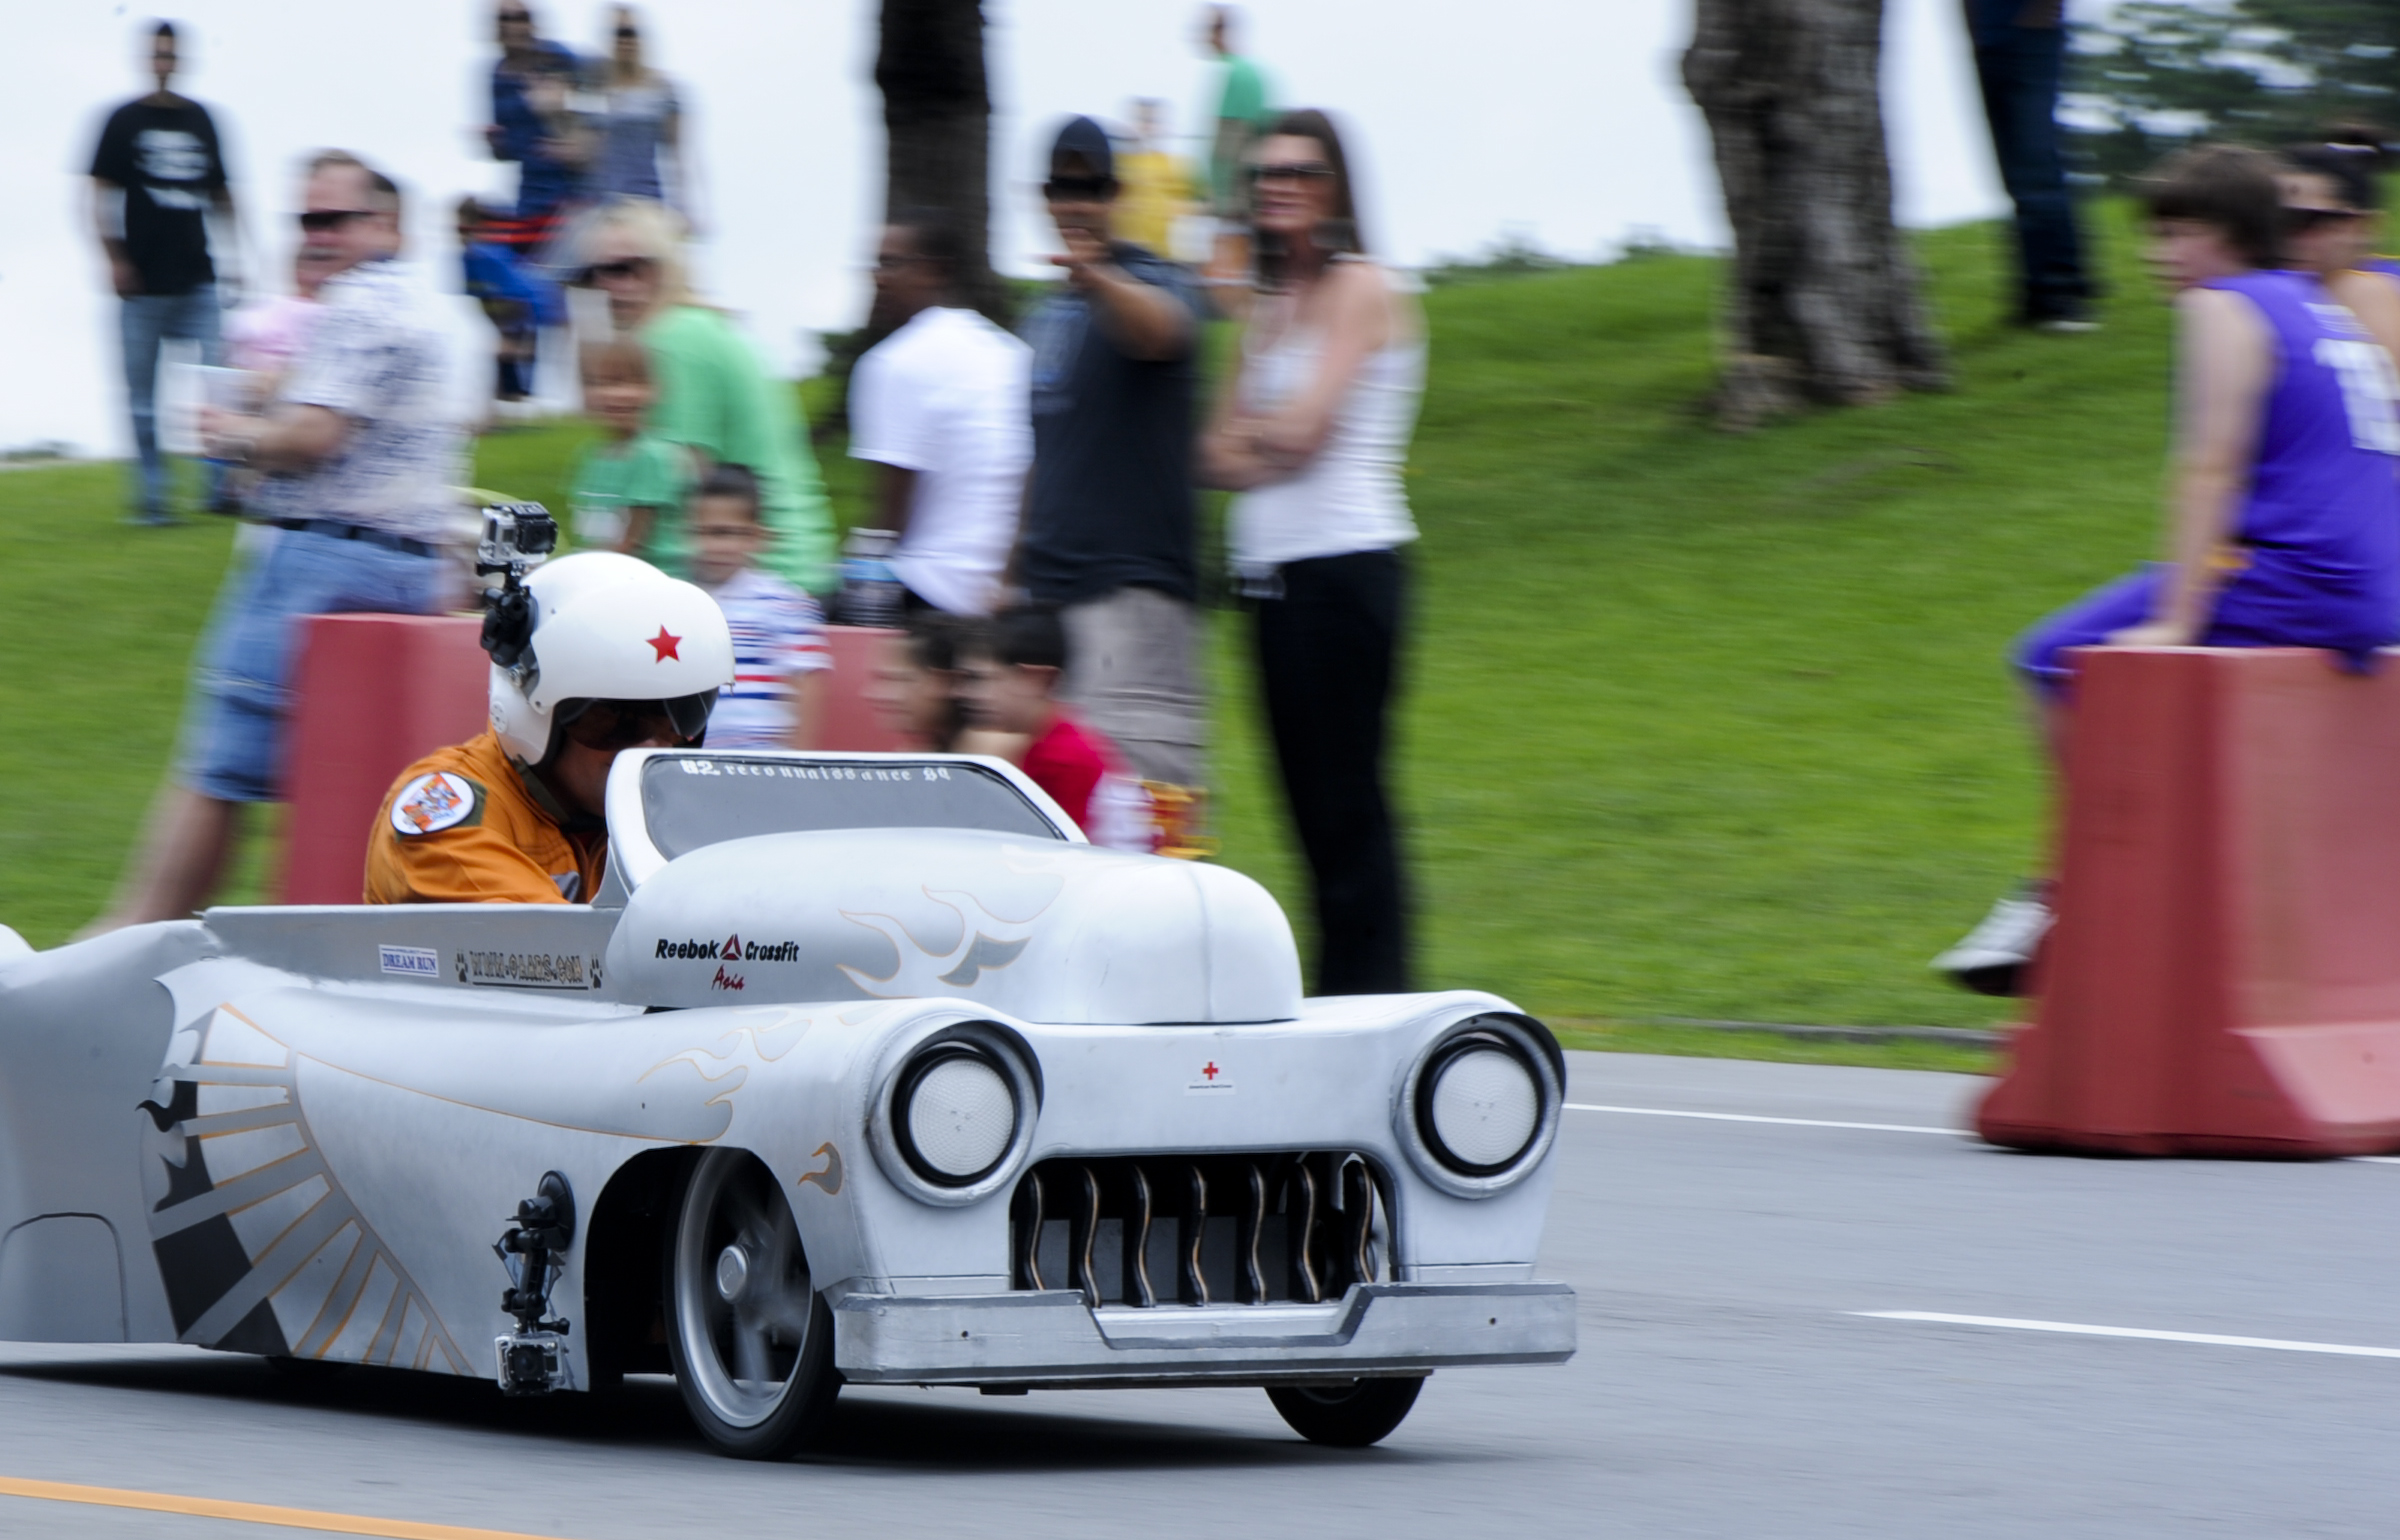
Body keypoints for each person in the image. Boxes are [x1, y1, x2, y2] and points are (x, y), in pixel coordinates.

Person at [1934, 145, 2400, 994]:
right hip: (2367, 590)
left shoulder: (2223, 306)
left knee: (2049, 657)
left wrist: (2178, 620)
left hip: (2301, 578)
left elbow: (2207, 466)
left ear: (2225, 235)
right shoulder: (2322, 308)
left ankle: (2079, 886)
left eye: (2176, 233)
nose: (2158, 253)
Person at [82, 151, 468, 935]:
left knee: (214, 768)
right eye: (305, 221)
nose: (315, 237)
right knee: (338, 794)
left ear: (385, 225)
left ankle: (126, 942)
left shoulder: (358, 304)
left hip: (319, 561)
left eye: (334, 220)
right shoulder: (420, 308)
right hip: (407, 572)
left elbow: (316, 435)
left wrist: (238, 436)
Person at [1201, 109, 1424, 995]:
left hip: (1343, 572)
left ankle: (1378, 1005)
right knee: (1305, 814)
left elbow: (1304, 433)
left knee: (1349, 808)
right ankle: (1343, 999)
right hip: (1270, 586)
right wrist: (1262, 438)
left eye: (1299, 171)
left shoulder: (1361, 287)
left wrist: (1258, 438)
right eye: (1264, 175)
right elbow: (1209, 451)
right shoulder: (1268, 306)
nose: (1278, 187)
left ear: (1334, 187)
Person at [1013, 117, 1209, 793]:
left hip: (1131, 598)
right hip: (1048, 609)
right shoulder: (1041, 314)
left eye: (1090, 187)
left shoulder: (1154, 279)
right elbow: (1040, 453)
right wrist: (1010, 578)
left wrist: (1097, 277)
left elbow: (1163, 332)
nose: (1074, 203)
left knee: (1145, 818)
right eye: (1060, 188)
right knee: (1061, 817)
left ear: (1116, 193)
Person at [367, 553, 732, 904]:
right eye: (617, 719)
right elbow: (557, 954)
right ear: (539, 714)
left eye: (679, 718)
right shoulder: (445, 818)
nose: (653, 746)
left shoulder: (669, 821)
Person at [574, 197, 837, 594]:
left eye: (628, 268)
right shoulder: (695, 327)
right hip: (766, 565)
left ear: (668, 267)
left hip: (756, 576)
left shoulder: (676, 338)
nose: (610, 284)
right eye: (594, 272)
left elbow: (677, 477)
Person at [88, 20, 243, 525]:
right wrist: (113, 258)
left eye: (169, 54)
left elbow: (222, 195)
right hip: (142, 285)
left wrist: (237, 258)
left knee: (219, 388)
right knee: (142, 402)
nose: (163, 62)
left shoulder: (201, 119)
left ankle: (221, 490)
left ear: (180, 59)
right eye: (155, 53)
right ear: (146, 58)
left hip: (199, 277)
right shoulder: (122, 121)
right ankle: (153, 503)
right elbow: (97, 194)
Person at [848, 209, 1033, 616]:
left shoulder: (895, 362)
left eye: (890, 263)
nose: (876, 276)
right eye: (875, 263)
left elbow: (889, 525)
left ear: (935, 271)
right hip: (1009, 594)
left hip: (930, 590)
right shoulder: (1009, 351)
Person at [957, 607, 1155, 852]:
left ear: (1038, 679)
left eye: (984, 679)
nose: (970, 695)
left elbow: (1060, 858)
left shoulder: (1063, 758)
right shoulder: (1046, 741)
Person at [1963, 0, 2096, 331]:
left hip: (2027, 36)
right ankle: (2038, 294)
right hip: (1990, 40)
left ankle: (2062, 295)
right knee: (2018, 173)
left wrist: (2037, 16)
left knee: (2035, 166)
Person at [687, 464, 830, 750]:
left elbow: (807, 683)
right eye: (701, 533)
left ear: (757, 537)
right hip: (696, 758)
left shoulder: (785, 602)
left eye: (725, 533)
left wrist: (797, 762)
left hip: (762, 759)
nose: (711, 545)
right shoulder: (683, 602)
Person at [2279, 134, 2400, 364]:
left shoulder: (2373, 290)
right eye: (2277, 219)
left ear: (2363, 227)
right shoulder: (2276, 286)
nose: (2289, 237)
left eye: (2310, 220)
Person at [567, 337, 691, 559]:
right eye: (598, 383)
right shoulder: (594, 454)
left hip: (645, 577)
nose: (613, 394)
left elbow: (631, 543)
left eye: (625, 382)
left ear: (654, 389)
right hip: (603, 563)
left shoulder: (651, 456)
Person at [483, 2, 584, 255]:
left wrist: (563, 115)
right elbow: (507, 150)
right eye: (504, 19)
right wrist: (494, 143)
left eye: (520, 18)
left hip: (571, 187)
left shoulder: (558, 57)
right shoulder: (498, 75)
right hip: (530, 190)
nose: (513, 25)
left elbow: (600, 101)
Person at [586, 6, 695, 221]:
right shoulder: (593, 86)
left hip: (647, 201)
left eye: (631, 33)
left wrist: (682, 208)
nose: (625, 40)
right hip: (601, 203)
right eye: (618, 33)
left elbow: (677, 154)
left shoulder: (663, 89)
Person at [458, 197, 566, 404]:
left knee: (511, 358)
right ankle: (508, 402)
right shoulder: (484, 250)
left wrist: (505, 327)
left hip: (523, 305)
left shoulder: (481, 252)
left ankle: (510, 402)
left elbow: (507, 289)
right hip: (525, 303)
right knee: (510, 360)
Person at [1197, 6, 1272, 289]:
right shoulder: (1243, 72)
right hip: (1241, 196)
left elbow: (1233, 144)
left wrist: (1226, 199)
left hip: (1237, 199)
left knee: (1234, 275)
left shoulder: (1239, 75)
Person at [1115, 98, 1192, 259]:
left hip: (1162, 254)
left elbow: (1191, 205)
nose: (1146, 127)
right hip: (1125, 251)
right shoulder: (1119, 162)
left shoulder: (1173, 165)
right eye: (1141, 120)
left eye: (1151, 121)